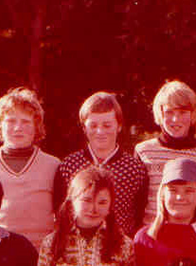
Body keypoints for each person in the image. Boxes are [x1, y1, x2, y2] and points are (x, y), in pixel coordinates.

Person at [53, 91, 149, 237]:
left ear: (119, 126)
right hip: (75, 247)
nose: (100, 131)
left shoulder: (135, 169)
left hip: (119, 247)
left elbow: (139, 214)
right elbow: (60, 211)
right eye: (93, 125)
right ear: (84, 128)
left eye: (107, 125)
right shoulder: (68, 166)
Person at [0, 87, 60, 247]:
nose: (18, 127)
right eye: (11, 121)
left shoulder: (54, 165)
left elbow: (63, 216)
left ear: (37, 126)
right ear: (0, 123)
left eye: (25, 121)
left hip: (42, 254)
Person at [134, 80, 196, 227]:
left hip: (191, 239)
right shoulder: (144, 152)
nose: (175, 119)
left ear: (193, 114)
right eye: (169, 112)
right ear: (160, 113)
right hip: (152, 238)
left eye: (182, 112)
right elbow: (137, 204)